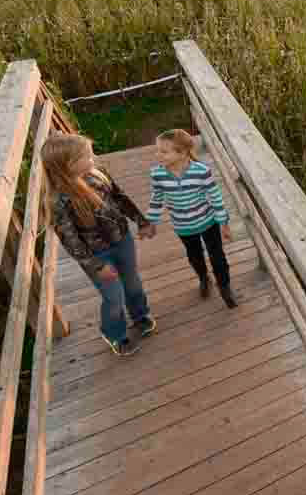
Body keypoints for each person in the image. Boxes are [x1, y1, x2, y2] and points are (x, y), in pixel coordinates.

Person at [43, 133, 156, 357]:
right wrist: (96, 266)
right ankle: (115, 334)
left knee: (132, 282)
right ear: (68, 165)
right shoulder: (58, 200)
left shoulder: (98, 174)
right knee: (114, 297)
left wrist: (141, 221)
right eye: (86, 155)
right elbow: (71, 241)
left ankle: (140, 316)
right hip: (97, 256)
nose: (92, 158)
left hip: (122, 240)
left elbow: (120, 198)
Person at [147, 129, 237, 308]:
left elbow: (215, 198)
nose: (158, 155)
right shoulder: (157, 174)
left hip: (207, 222)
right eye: (157, 150)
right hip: (183, 225)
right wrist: (151, 222)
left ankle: (225, 287)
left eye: (164, 151)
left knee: (217, 256)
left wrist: (223, 223)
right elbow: (156, 198)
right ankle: (204, 279)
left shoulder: (201, 171)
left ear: (182, 153)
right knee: (194, 256)